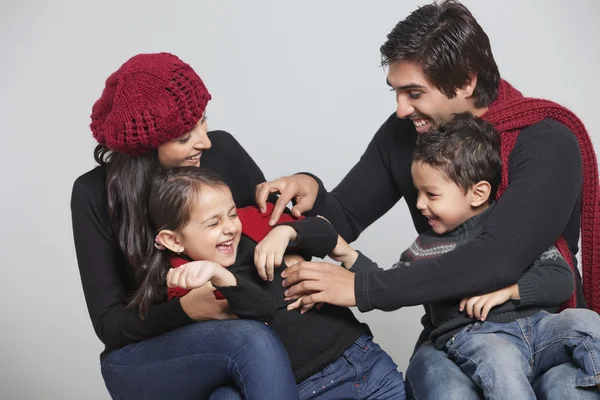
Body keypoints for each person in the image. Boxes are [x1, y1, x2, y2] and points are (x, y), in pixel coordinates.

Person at [255, 1, 600, 399]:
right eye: (396, 92)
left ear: (467, 81)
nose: (401, 109)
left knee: (565, 388)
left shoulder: (545, 141)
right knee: (439, 380)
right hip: (458, 332)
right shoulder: (407, 134)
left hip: (542, 326)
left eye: (414, 92)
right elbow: (344, 218)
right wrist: (310, 187)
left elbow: (499, 257)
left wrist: (362, 289)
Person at [71, 52, 301, 400]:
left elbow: (272, 230)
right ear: (146, 146)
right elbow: (110, 326)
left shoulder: (220, 151)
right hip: (142, 354)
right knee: (250, 340)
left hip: (236, 330)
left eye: (202, 121)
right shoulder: (93, 194)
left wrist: (308, 184)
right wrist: (187, 310)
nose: (204, 141)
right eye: (183, 137)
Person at [328, 113, 600, 398]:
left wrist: (507, 292)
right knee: (500, 361)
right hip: (478, 337)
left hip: (539, 328)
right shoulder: (426, 247)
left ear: (478, 193)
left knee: (585, 322)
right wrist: (349, 255)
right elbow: (391, 284)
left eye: (431, 195)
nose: (419, 204)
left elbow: (560, 278)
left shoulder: (511, 228)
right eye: (417, 193)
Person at [145, 166, 406, 400]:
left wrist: (288, 232)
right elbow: (260, 312)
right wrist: (220, 275)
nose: (230, 228)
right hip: (311, 387)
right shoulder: (189, 284)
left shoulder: (254, 234)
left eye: (232, 214)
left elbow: (326, 232)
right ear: (173, 240)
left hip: (364, 358)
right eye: (213, 223)